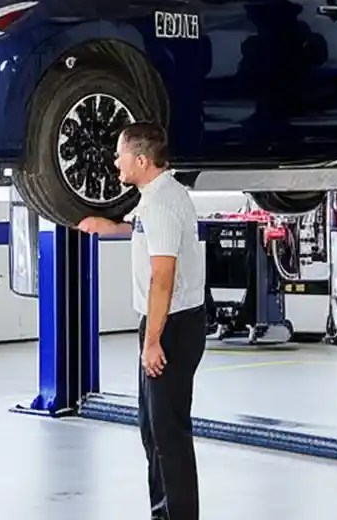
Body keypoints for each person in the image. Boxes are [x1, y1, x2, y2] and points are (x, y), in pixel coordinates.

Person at [78, 121, 207, 520]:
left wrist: (153, 341)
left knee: (168, 434)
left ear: (140, 159)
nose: (114, 161)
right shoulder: (156, 196)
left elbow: (162, 275)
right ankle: (162, 513)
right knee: (153, 431)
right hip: (164, 323)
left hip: (170, 327)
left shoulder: (161, 202)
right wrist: (111, 227)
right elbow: (147, 233)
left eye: (119, 154)